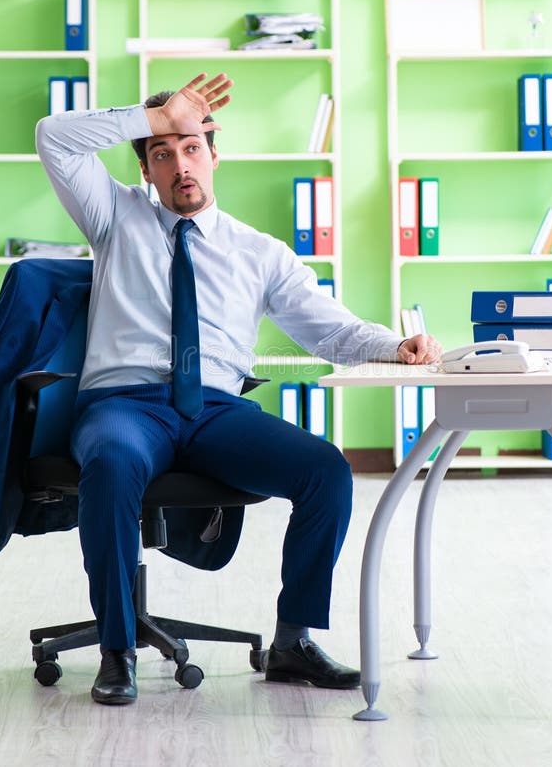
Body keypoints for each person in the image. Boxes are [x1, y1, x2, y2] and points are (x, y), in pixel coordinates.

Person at [35, 73, 442, 705]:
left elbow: (328, 327)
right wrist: (156, 115)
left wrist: (393, 345)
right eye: (163, 153)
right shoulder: (113, 216)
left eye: (192, 147)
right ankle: (117, 651)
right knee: (112, 462)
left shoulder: (259, 252)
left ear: (215, 153)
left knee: (326, 470)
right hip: (125, 405)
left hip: (214, 412)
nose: (180, 165)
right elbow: (54, 137)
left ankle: (291, 643)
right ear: (146, 166)